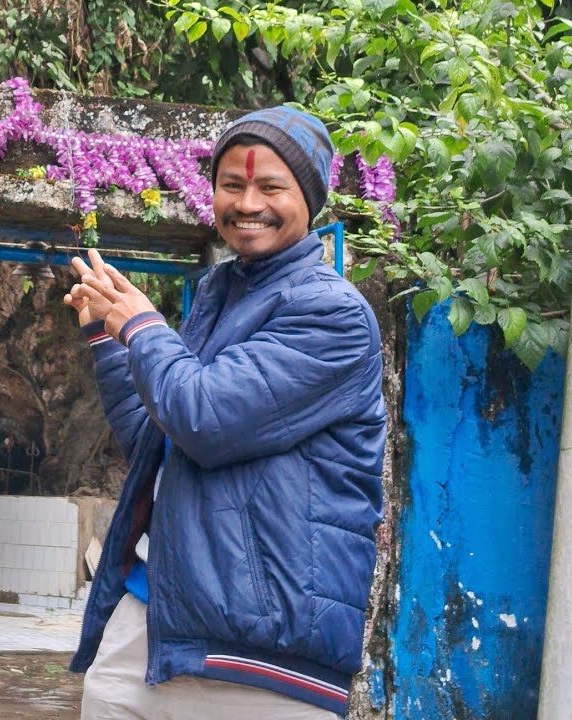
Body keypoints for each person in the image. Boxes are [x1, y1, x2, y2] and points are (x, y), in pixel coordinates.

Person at [65, 106, 386, 719]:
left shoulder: (334, 314)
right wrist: (108, 341)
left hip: (261, 652)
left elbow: (204, 419)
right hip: (155, 619)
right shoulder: (215, 296)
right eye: (232, 185)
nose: (248, 203)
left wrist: (141, 326)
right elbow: (155, 442)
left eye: (271, 187)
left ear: (310, 200)